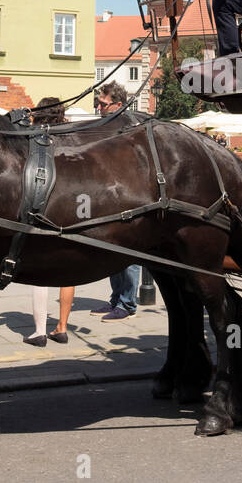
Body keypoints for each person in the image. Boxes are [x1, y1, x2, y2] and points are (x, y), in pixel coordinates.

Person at [26, 97, 75, 345]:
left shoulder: (37, 139)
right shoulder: (70, 136)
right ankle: (62, 327)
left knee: (39, 271)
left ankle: (39, 331)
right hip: (71, 207)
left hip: (46, 206)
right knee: (68, 272)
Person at [92, 84, 141, 321]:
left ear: (118, 106)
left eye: (103, 104)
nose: (99, 107)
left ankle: (128, 303)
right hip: (113, 194)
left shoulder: (128, 128)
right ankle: (116, 300)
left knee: (129, 253)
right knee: (113, 250)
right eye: (98, 103)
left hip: (130, 194)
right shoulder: (107, 127)